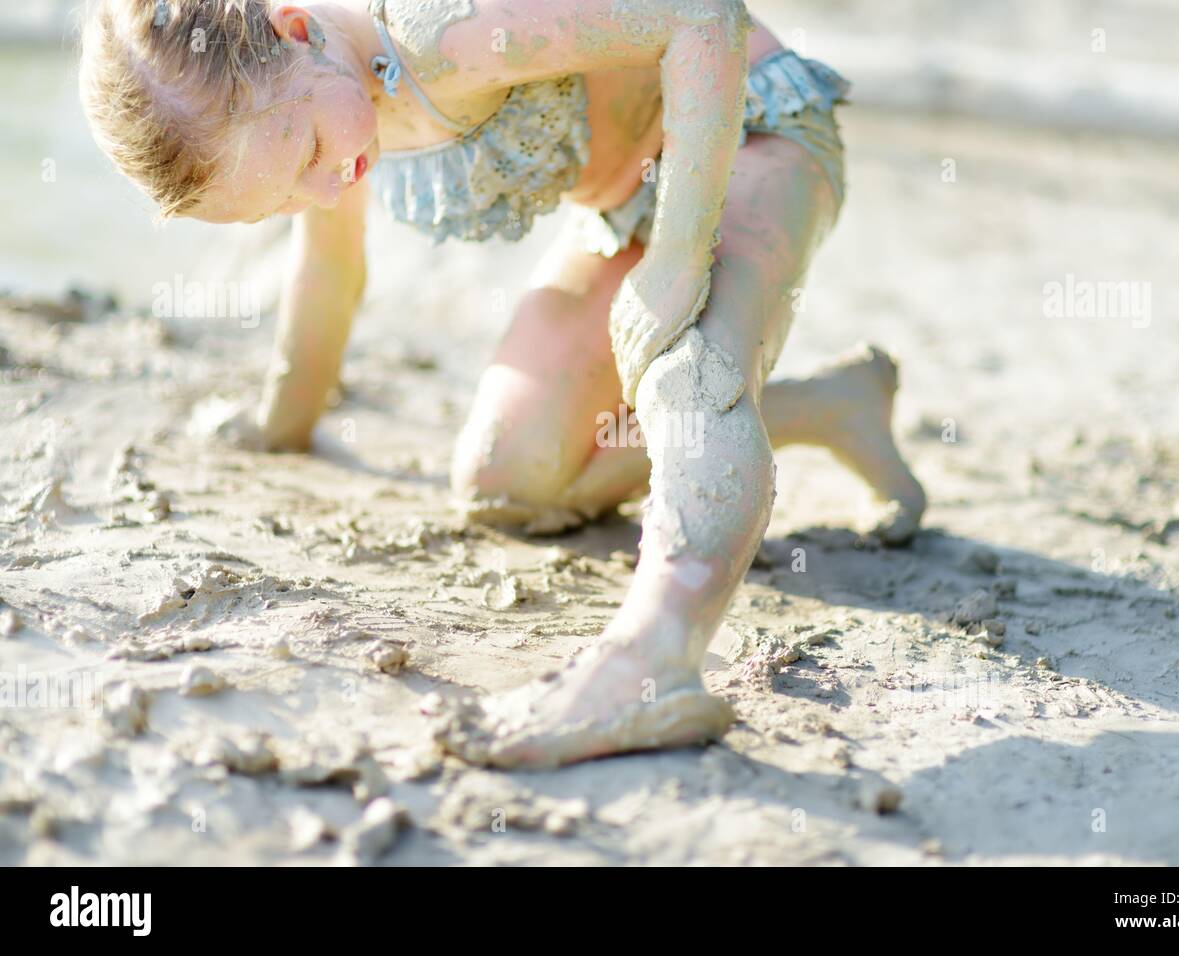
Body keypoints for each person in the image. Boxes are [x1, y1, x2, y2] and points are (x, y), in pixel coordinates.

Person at [80, 0, 927, 767]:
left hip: (747, 130)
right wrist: (283, 426)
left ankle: (654, 665)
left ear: (296, 27)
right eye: (281, 198)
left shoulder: (436, 33)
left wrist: (675, 261)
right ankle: (825, 406)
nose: (322, 187)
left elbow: (701, 18)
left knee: (687, 373)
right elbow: (330, 271)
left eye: (305, 157)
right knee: (507, 479)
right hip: (633, 197)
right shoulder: (316, 103)